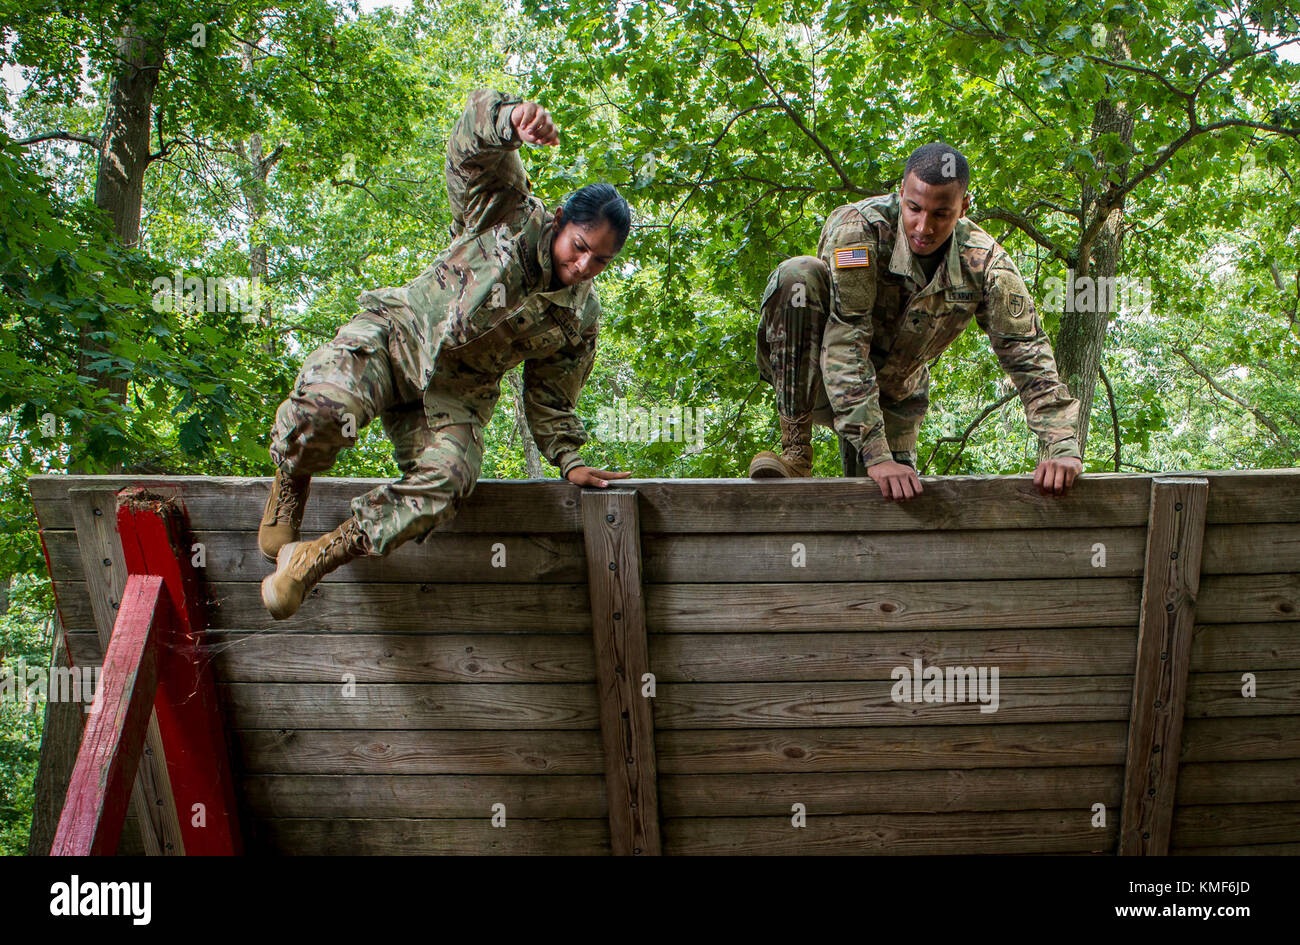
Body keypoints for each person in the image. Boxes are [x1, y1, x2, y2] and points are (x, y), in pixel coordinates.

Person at [260, 88, 631, 619]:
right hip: (398, 339)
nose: (584, 266)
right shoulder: (506, 211)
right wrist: (511, 119)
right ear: (560, 220)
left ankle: (316, 556)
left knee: (449, 482)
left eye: (601, 261)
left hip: (455, 396)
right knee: (324, 409)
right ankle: (290, 481)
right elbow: (468, 149)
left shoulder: (579, 316)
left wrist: (569, 460)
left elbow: (552, 396)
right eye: (580, 246)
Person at [748, 142, 1084, 500]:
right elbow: (846, 339)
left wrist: (1062, 444)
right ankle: (796, 453)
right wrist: (875, 453)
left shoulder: (986, 263)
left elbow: (1027, 352)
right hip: (819, 374)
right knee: (798, 276)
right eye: (914, 209)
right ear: (901, 193)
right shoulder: (858, 230)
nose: (924, 227)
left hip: (895, 397)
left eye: (941, 214)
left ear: (963, 208)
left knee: (892, 508)